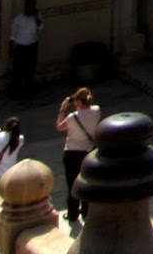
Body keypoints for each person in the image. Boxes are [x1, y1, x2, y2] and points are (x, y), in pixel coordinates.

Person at [55, 87, 101, 225]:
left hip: (72, 153)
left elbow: (59, 126)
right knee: (87, 180)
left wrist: (63, 108)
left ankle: (73, 212)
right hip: (88, 151)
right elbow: (90, 109)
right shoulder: (97, 110)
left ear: (78, 102)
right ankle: (86, 210)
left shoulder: (72, 117)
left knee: (72, 183)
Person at [8, 0, 43, 100]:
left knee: (30, 69)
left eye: (33, 7)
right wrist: (11, 49)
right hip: (20, 48)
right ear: (25, 7)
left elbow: (41, 27)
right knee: (18, 70)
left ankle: (29, 91)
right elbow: (13, 35)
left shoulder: (37, 18)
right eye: (29, 6)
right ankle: (17, 91)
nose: (31, 9)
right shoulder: (18, 19)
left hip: (32, 46)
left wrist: (36, 16)